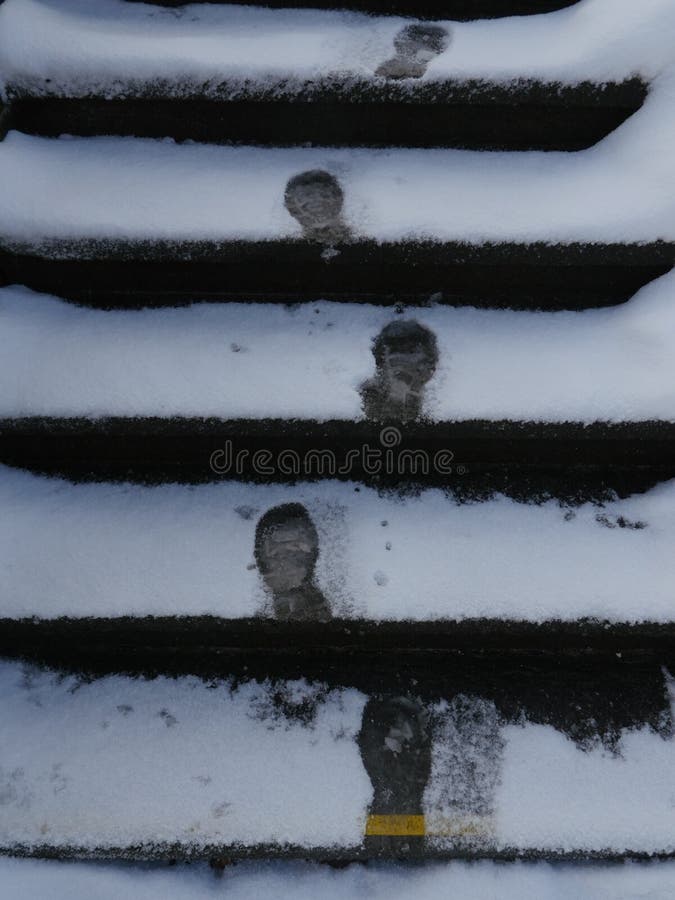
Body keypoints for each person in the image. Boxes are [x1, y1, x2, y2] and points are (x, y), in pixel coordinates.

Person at [254, 503, 332, 621]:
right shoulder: (258, 608)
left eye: (294, 550)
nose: (284, 562)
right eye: (276, 554)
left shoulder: (320, 604)